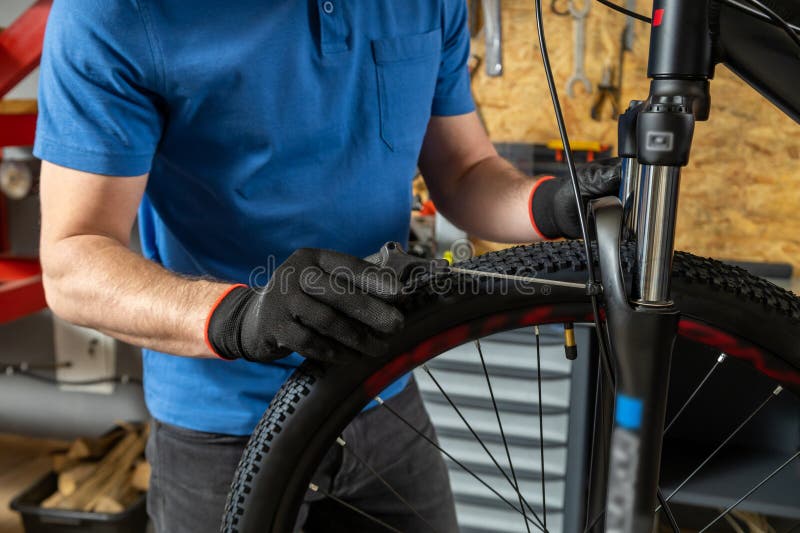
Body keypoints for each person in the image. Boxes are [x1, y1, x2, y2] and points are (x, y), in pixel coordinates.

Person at [34, 1, 619, 531]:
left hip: (385, 395)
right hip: (222, 428)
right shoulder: (114, 13)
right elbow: (73, 259)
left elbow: (465, 174)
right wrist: (242, 315)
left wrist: (551, 204)